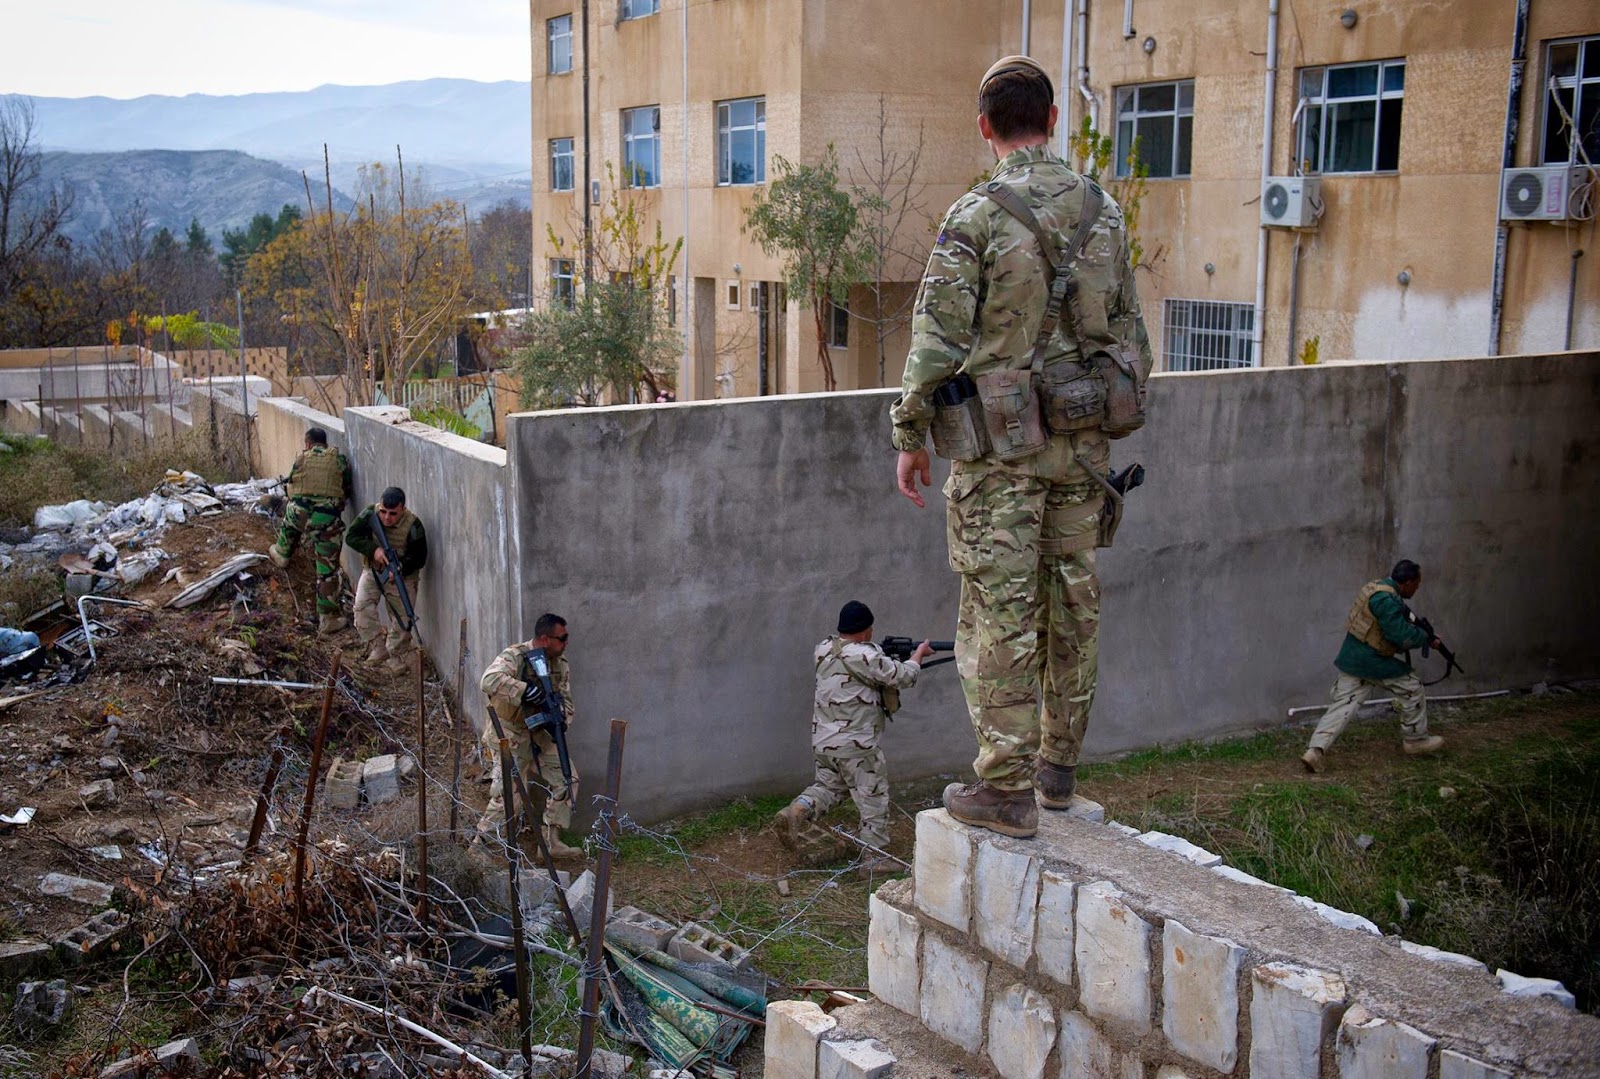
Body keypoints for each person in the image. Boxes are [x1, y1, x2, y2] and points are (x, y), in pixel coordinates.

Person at [890, 55, 1151, 838]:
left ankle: (1003, 787)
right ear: (1052, 121)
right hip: (1082, 449)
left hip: (1003, 458)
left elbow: (936, 339)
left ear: (984, 128)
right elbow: (1132, 334)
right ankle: (1057, 771)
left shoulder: (975, 216)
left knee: (999, 612)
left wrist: (909, 432)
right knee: (1073, 597)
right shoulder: (1103, 212)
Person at [774, 601, 931, 873]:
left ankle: (800, 809)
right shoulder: (865, 656)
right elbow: (903, 676)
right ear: (866, 630)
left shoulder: (823, 650)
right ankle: (875, 858)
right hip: (856, 745)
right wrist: (918, 655)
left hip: (824, 742)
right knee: (873, 798)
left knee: (829, 786)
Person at [1301, 560, 1445, 772]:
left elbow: (1398, 622)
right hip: (1371, 660)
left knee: (1343, 705)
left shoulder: (1378, 588)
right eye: (1417, 583)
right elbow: (1400, 635)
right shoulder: (1387, 600)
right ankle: (1415, 740)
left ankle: (1315, 751)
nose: (1417, 588)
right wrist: (1424, 637)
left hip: (1353, 658)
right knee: (1412, 685)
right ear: (1407, 582)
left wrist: (1424, 634)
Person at [475, 614, 582, 858]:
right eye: (562, 638)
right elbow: (488, 680)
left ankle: (550, 842)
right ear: (545, 639)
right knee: (508, 796)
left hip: (541, 734)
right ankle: (479, 846)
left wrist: (560, 718)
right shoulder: (516, 656)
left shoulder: (559, 663)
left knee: (568, 780)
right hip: (510, 735)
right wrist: (525, 691)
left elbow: (566, 701)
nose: (566, 643)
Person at [268, 427, 353, 634]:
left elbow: (291, 487)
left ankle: (282, 553)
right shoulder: (339, 460)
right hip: (326, 521)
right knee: (327, 571)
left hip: (299, 515)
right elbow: (346, 490)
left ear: (307, 444)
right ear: (324, 443)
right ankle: (328, 618)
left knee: (292, 515)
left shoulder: (300, 460)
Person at [343, 487, 428, 676]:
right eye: (383, 512)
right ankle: (377, 648)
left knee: (403, 619)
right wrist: (374, 550)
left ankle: (395, 656)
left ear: (403, 510)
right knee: (361, 608)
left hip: (402, 578)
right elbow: (351, 537)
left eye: (392, 514)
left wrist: (400, 568)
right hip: (373, 570)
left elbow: (420, 558)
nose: (386, 518)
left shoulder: (413, 526)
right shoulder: (369, 514)